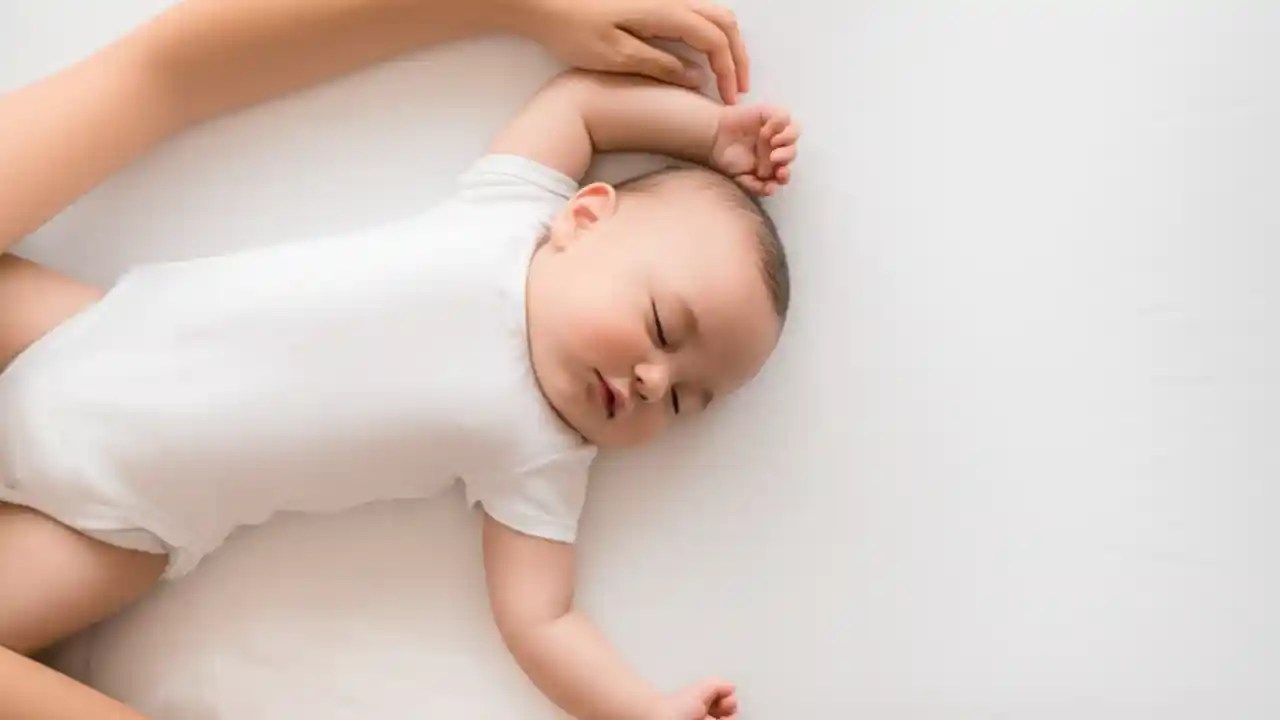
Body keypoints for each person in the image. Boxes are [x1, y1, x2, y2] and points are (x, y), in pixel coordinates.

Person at [0, 0, 797, 717]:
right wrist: (707, 134)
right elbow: (578, 108)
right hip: (82, 336)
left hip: (118, 522)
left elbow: (543, 621)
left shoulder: (544, 459)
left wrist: (638, 709)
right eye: (659, 324)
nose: (655, 381)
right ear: (585, 217)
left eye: (687, 401)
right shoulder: (509, 214)